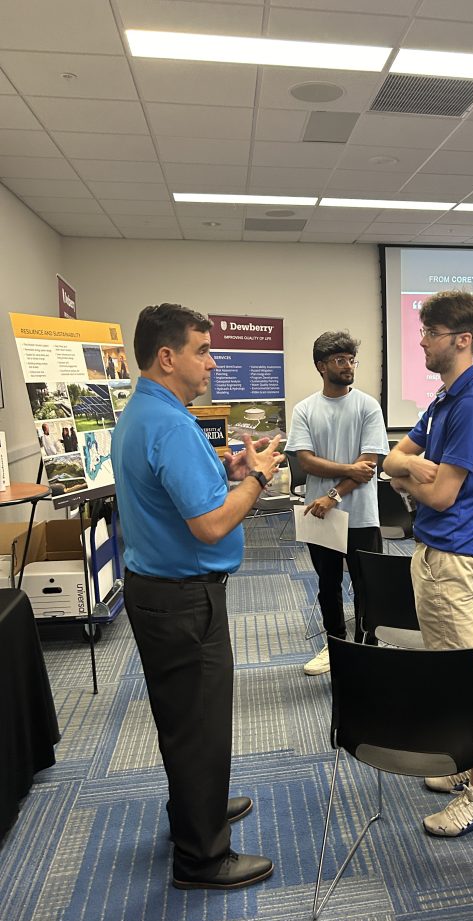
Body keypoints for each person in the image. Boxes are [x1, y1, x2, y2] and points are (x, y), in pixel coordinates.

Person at [112, 303, 284, 891]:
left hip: (158, 592)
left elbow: (182, 490)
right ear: (168, 357)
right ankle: (201, 857)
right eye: (202, 351)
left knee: (184, 721)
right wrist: (257, 479)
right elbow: (210, 525)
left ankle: (195, 809)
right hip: (184, 600)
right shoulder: (169, 424)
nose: (211, 364)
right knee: (201, 724)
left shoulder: (146, 412)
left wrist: (230, 470)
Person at [383, 291, 473, 838]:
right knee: (454, 669)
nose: (422, 341)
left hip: (452, 558)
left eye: (430, 333)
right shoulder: (444, 400)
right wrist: (416, 468)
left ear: (461, 339)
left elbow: (440, 498)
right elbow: (391, 460)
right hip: (433, 554)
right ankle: (469, 764)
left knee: (464, 674)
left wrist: (414, 472)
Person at [287, 330, 389, 676]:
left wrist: (333, 494)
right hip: (320, 515)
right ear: (321, 366)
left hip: (360, 514)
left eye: (350, 359)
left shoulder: (367, 406)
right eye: (339, 360)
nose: (348, 366)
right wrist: (348, 470)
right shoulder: (305, 409)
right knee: (327, 586)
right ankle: (335, 647)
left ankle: (367, 649)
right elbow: (306, 462)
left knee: (367, 586)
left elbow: (369, 464)